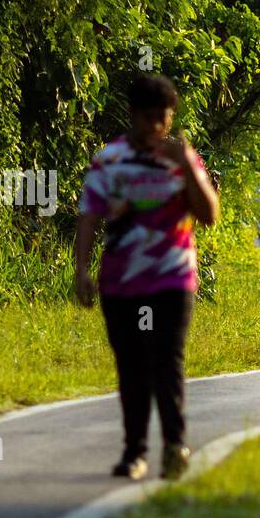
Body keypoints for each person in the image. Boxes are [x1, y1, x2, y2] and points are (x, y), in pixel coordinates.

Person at [74, 73, 219, 481]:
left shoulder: (181, 159)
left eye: (164, 117)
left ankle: (175, 446)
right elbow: (89, 217)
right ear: (132, 116)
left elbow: (209, 215)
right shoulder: (110, 160)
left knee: (167, 362)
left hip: (172, 279)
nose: (156, 126)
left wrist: (186, 163)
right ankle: (134, 452)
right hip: (121, 281)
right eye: (148, 118)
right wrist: (82, 271)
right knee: (131, 366)